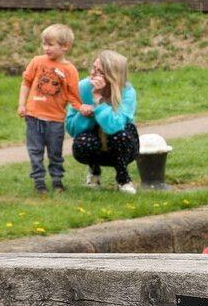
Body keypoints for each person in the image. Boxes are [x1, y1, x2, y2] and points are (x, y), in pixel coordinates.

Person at [17, 24, 80, 194]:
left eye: (50, 44)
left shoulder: (70, 70)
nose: (46, 48)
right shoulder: (37, 61)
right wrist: (22, 104)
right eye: (44, 44)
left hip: (55, 120)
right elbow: (26, 83)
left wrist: (81, 108)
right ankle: (39, 182)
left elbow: (73, 94)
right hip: (33, 116)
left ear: (65, 46)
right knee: (35, 150)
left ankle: (57, 181)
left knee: (55, 152)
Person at [67, 50, 141, 194]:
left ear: (111, 75)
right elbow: (70, 128)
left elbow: (115, 126)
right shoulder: (82, 87)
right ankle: (94, 172)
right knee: (82, 143)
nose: (93, 73)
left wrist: (98, 101)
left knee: (122, 135)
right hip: (94, 139)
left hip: (121, 144)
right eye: (93, 67)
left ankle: (123, 179)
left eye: (99, 71)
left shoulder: (127, 92)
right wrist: (83, 114)